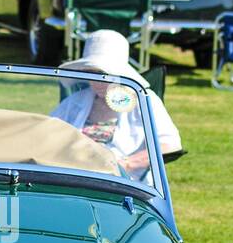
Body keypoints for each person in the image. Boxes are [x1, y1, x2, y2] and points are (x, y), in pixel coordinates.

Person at [50, 29, 181, 178]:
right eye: (89, 73)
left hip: (123, 184)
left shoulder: (143, 100)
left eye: (103, 74)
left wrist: (126, 164)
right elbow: (46, 135)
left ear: (120, 74)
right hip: (73, 178)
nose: (96, 81)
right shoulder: (75, 101)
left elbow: (170, 145)